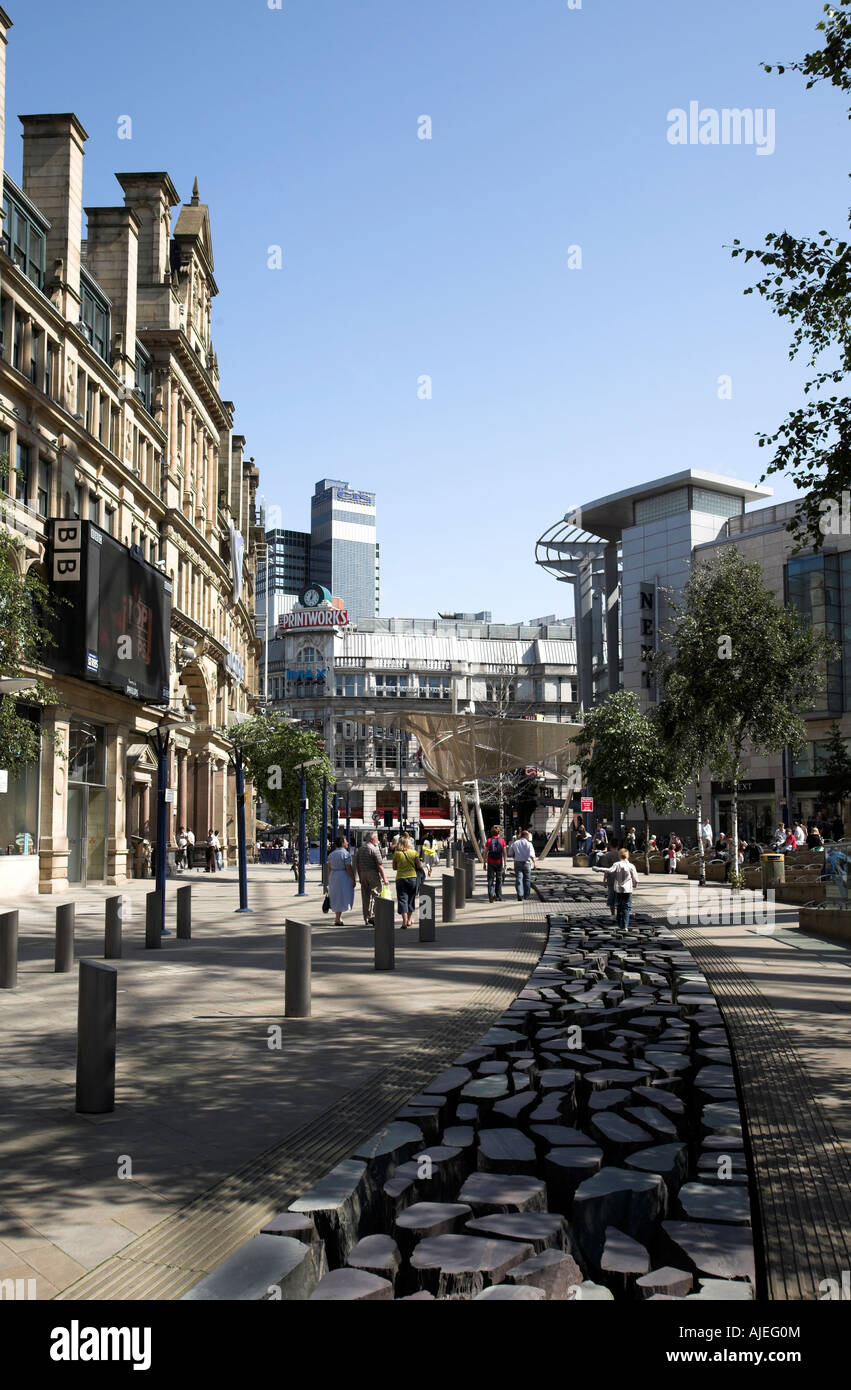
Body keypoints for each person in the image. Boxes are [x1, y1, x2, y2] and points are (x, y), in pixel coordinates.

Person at [355, 830, 388, 925]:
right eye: (377, 837)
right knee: (376, 895)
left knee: (365, 897)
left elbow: (357, 864)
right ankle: (374, 916)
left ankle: (366, 917)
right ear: (372, 838)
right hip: (373, 874)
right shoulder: (374, 849)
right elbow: (380, 865)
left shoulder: (360, 849)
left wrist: (360, 875)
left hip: (363, 874)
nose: (378, 839)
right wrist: (384, 879)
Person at [392, 832, 421, 929]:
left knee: (402, 900)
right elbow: (419, 866)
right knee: (411, 900)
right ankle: (409, 920)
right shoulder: (414, 853)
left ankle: (404, 922)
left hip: (400, 878)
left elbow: (394, 867)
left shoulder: (397, 854)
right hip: (412, 878)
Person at [327, 833, 356, 924]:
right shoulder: (345, 854)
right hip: (343, 876)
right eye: (346, 841)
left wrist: (329, 879)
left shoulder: (331, 854)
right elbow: (348, 867)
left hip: (333, 876)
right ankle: (338, 918)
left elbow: (329, 868)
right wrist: (353, 878)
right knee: (342, 896)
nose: (347, 842)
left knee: (336, 896)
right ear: (342, 843)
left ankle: (338, 917)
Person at [610, 848, 639, 930]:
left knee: (619, 906)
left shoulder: (616, 864)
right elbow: (636, 879)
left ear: (619, 856)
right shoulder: (631, 866)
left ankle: (619, 924)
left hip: (618, 889)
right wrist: (634, 885)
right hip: (628, 890)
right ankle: (625, 925)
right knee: (626, 907)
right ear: (628, 856)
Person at [508, 828, 536, 901]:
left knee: (519, 878)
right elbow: (532, 855)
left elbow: (510, 853)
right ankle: (526, 895)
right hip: (527, 862)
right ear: (526, 836)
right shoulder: (529, 844)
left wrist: (515, 856)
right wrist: (534, 863)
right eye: (528, 836)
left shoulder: (515, 843)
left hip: (517, 862)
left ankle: (520, 893)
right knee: (527, 879)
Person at [485, 824, 508, 902]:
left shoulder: (488, 840)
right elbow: (504, 853)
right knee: (499, 879)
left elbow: (485, 853)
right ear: (499, 833)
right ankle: (498, 896)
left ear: (491, 833)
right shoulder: (502, 841)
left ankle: (491, 893)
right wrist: (505, 864)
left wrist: (484, 863)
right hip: (499, 862)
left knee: (490, 879)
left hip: (490, 862)